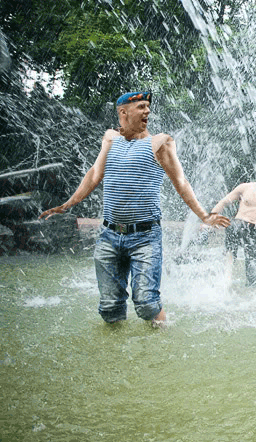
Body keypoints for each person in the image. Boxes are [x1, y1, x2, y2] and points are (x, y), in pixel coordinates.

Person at [39, 91, 229, 326]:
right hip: (109, 236)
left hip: (145, 238)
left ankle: (161, 349)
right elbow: (94, 174)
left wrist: (204, 216)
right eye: (141, 106)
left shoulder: (160, 143)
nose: (147, 111)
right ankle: (114, 356)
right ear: (123, 112)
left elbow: (181, 183)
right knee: (109, 308)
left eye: (148, 106)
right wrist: (68, 204)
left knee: (147, 303)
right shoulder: (109, 139)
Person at [210, 162, 256, 287]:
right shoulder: (245, 187)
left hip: (255, 231)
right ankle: (226, 278)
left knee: (254, 274)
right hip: (239, 224)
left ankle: (251, 289)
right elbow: (224, 202)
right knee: (232, 236)